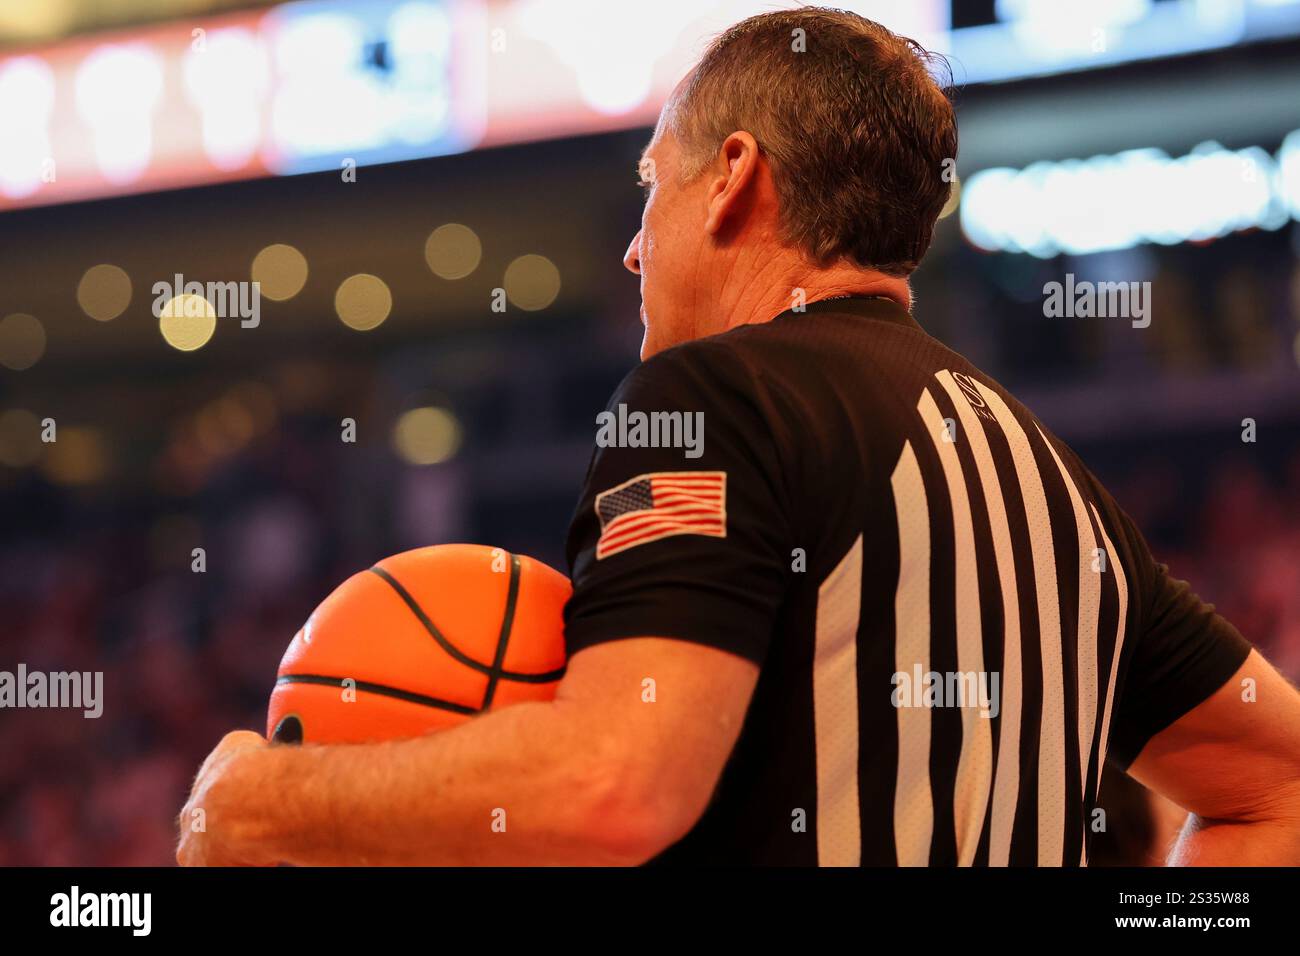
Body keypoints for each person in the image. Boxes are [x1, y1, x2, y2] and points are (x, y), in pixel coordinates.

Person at [177, 7, 1300, 866]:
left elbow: (615, 781)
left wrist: (262, 798)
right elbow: (1277, 784)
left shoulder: (720, 397)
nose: (631, 250)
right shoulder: (1056, 479)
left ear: (732, 180)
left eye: (648, 191)